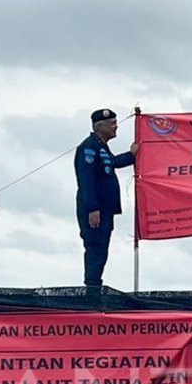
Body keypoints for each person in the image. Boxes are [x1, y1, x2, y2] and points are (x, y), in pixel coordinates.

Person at [74, 108, 138, 288]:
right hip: (96, 210)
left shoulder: (101, 146)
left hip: (106, 209)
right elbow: (86, 181)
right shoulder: (88, 148)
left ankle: (95, 284)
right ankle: (92, 287)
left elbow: (112, 162)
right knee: (95, 247)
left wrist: (132, 155)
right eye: (112, 124)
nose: (116, 127)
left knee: (102, 248)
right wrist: (92, 209)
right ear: (100, 126)